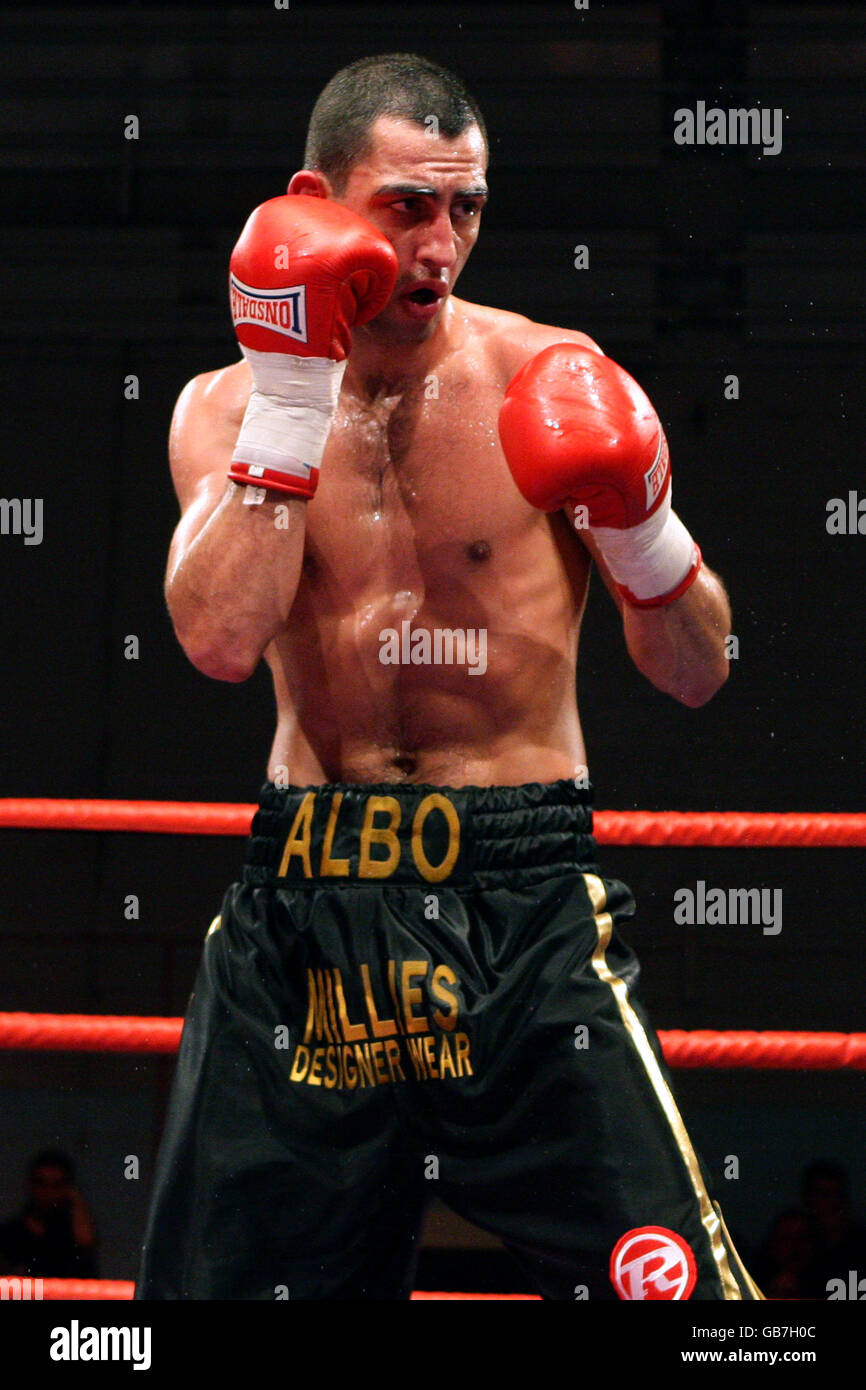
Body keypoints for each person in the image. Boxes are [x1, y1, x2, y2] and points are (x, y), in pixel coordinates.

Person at [136, 52, 761, 1301]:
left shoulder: (548, 373)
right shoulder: (224, 407)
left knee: (682, 1307)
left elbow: (699, 673)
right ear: (318, 195)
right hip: (307, 907)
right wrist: (294, 397)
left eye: (464, 208)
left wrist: (642, 531)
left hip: (522, 909)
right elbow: (213, 640)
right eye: (405, 205)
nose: (438, 245)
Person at [0, 1149, 98, 1278]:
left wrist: (77, 1201)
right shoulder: (10, 1234)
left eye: (57, 1185)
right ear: (30, 1185)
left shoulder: (71, 1236)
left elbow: (86, 1243)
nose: (48, 1192)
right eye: (41, 1183)